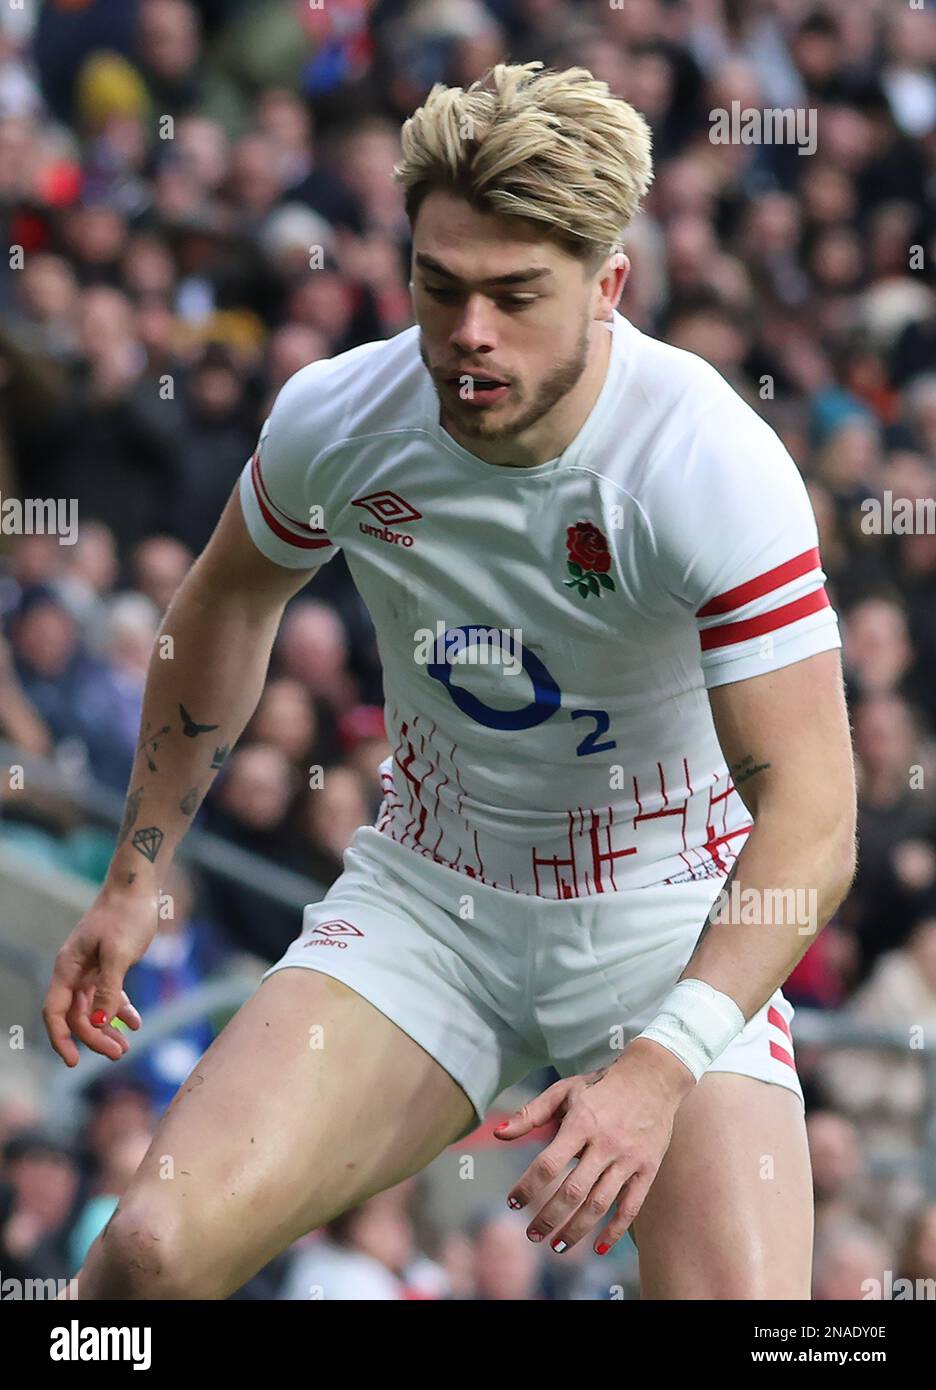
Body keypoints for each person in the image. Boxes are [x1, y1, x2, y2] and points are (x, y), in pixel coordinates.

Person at [45, 61, 856, 1301]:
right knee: (142, 1263)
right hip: (428, 902)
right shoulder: (344, 415)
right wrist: (133, 876)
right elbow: (223, 602)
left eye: (516, 296)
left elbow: (815, 814)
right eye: (440, 286)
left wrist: (661, 1064)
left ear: (609, 287)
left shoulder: (709, 464)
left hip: (667, 924)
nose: (468, 334)